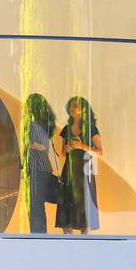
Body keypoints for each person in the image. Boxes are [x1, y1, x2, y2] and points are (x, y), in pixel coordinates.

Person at [58, 95, 102, 234]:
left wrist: (82, 146)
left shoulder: (91, 129)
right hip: (69, 171)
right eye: (71, 106)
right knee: (67, 207)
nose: (72, 108)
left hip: (85, 171)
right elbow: (62, 152)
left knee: (84, 210)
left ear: (83, 109)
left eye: (76, 106)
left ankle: (84, 245)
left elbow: (100, 152)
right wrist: (69, 148)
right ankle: (66, 245)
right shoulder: (66, 129)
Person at [21, 92, 60, 234]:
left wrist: (30, 146)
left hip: (37, 169)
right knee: (37, 207)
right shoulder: (43, 126)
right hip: (43, 169)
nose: (24, 107)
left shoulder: (33, 125)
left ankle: (38, 238)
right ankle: (39, 237)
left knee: (35, 207)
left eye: (27, 104)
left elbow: (42, 146)